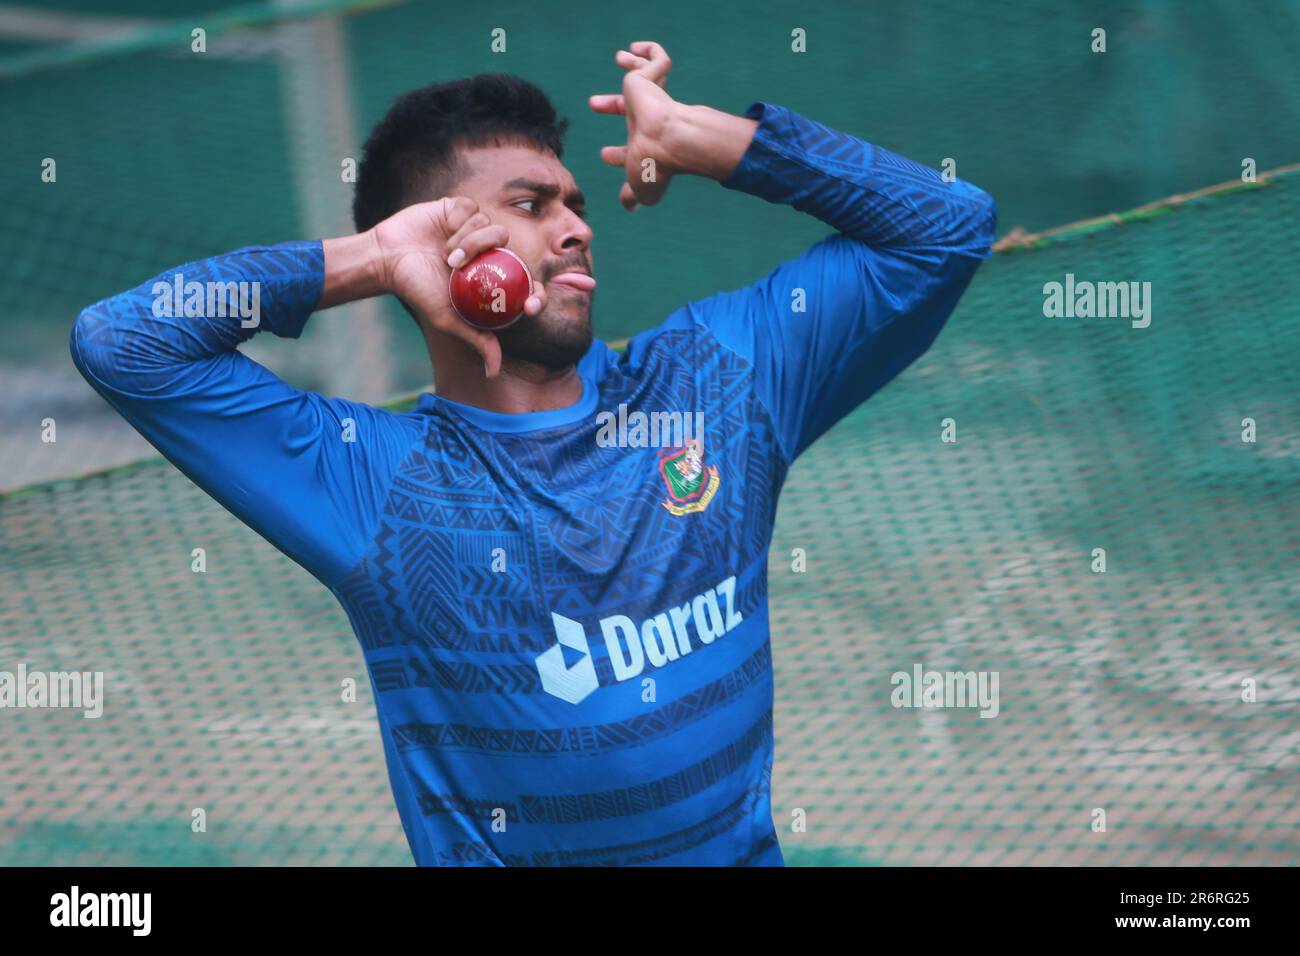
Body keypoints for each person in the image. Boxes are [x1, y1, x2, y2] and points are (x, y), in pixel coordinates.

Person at [70, 42, 997, 866]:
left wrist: (701, 137)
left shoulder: (716, 385)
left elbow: (948, 226)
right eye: (530, 204)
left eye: (576, 205)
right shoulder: (370, 479)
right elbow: (122, 344)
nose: (576, 226)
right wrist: (369, 258)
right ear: (437, 240)